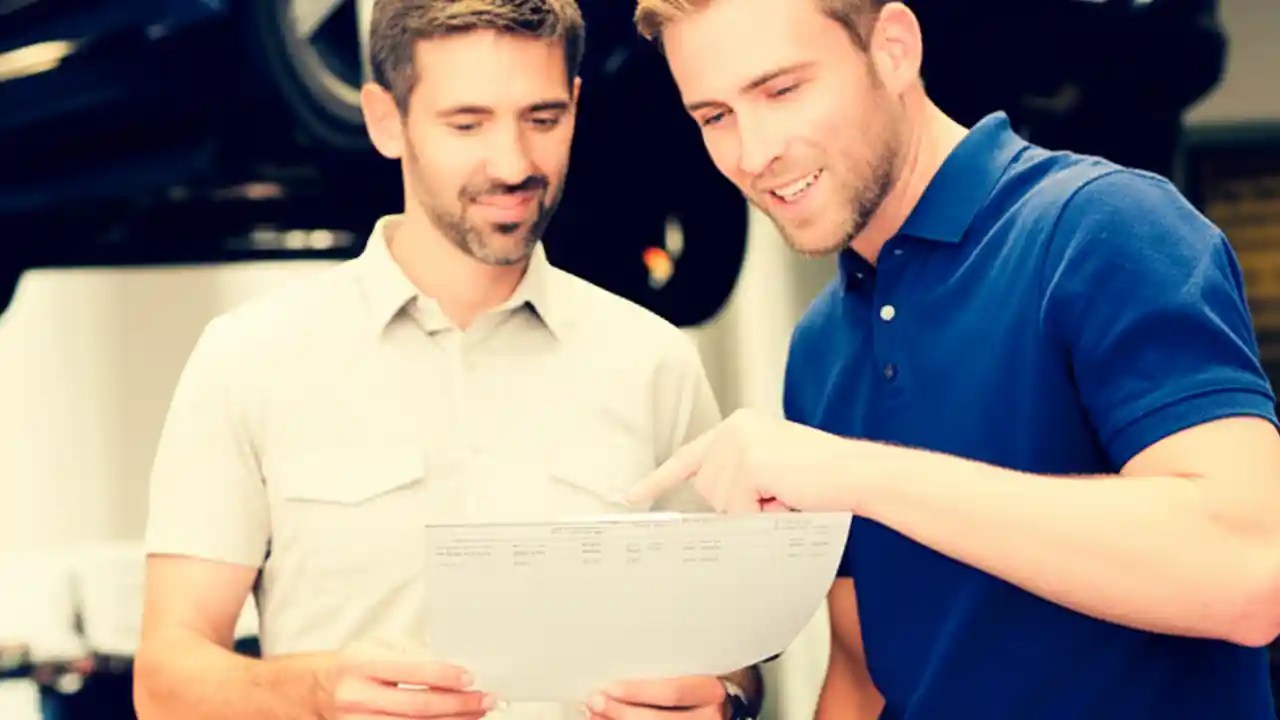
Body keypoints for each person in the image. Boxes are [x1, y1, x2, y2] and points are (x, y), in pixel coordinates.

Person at [626, 0, 1280, 718]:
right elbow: (863, 674)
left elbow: (1251, 573)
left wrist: (853, 472)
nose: (753, 154)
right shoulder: (820, 344)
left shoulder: (1105, 225)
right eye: (715, 116)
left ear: (893, 49)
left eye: (782, 90)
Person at [132, 1, 764, 719]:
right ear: (386, 120)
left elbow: (732, 659)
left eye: (543, 118)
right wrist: (313, 692)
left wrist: (723, 701)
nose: (514, 164)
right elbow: (165, 684)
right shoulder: (250, 360)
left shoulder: (654, 363)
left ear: (576, 105)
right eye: (467, 124)